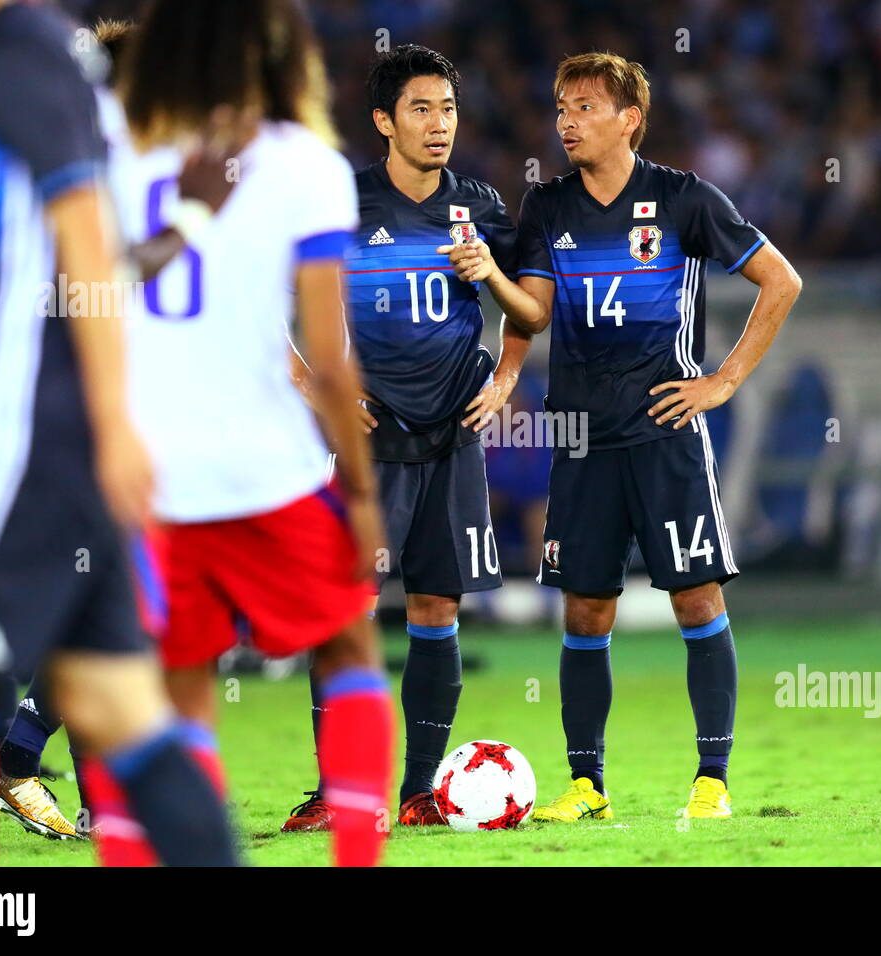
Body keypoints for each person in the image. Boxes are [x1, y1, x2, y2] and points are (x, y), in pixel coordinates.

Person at [0, 0, 237, 866]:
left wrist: (114, 426)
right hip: (40, 443)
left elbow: (83, 239)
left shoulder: (18, 52)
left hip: (11, 441)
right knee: (118, 705)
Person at [447, 52, 802, 820]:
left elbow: (782, 279)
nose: (566, 120)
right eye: (561, 106)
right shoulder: (546, 207)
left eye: (583, 106)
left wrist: (724, 380)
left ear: (629, 118)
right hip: (580, 438)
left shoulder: (682, 199)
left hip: (665, 432)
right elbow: (533, 311)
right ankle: (587, 787)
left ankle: (712, 780)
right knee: (584, 611)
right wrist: (507, 373)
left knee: (696, 598)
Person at [117, 0, 393, 866]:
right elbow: (329, 359)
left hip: (149, 476)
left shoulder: (116, 151)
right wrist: (358, 491)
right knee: (348, 639)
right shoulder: (305, 163)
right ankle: (356, 852)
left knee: (175, 685)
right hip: (269, 469)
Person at [282, 43, 533, 832]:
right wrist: (313, 380)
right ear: (384, 121)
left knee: (436, 607)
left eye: (448, 108)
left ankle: (420, 790)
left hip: (454, 436)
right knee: (340, 612)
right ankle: (337, 792)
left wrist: (507, 378)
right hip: (370, 438)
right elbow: (258, 297)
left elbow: (530, 309)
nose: (439, 124)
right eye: (420, 109)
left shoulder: (483, 206)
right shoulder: (339, 204)